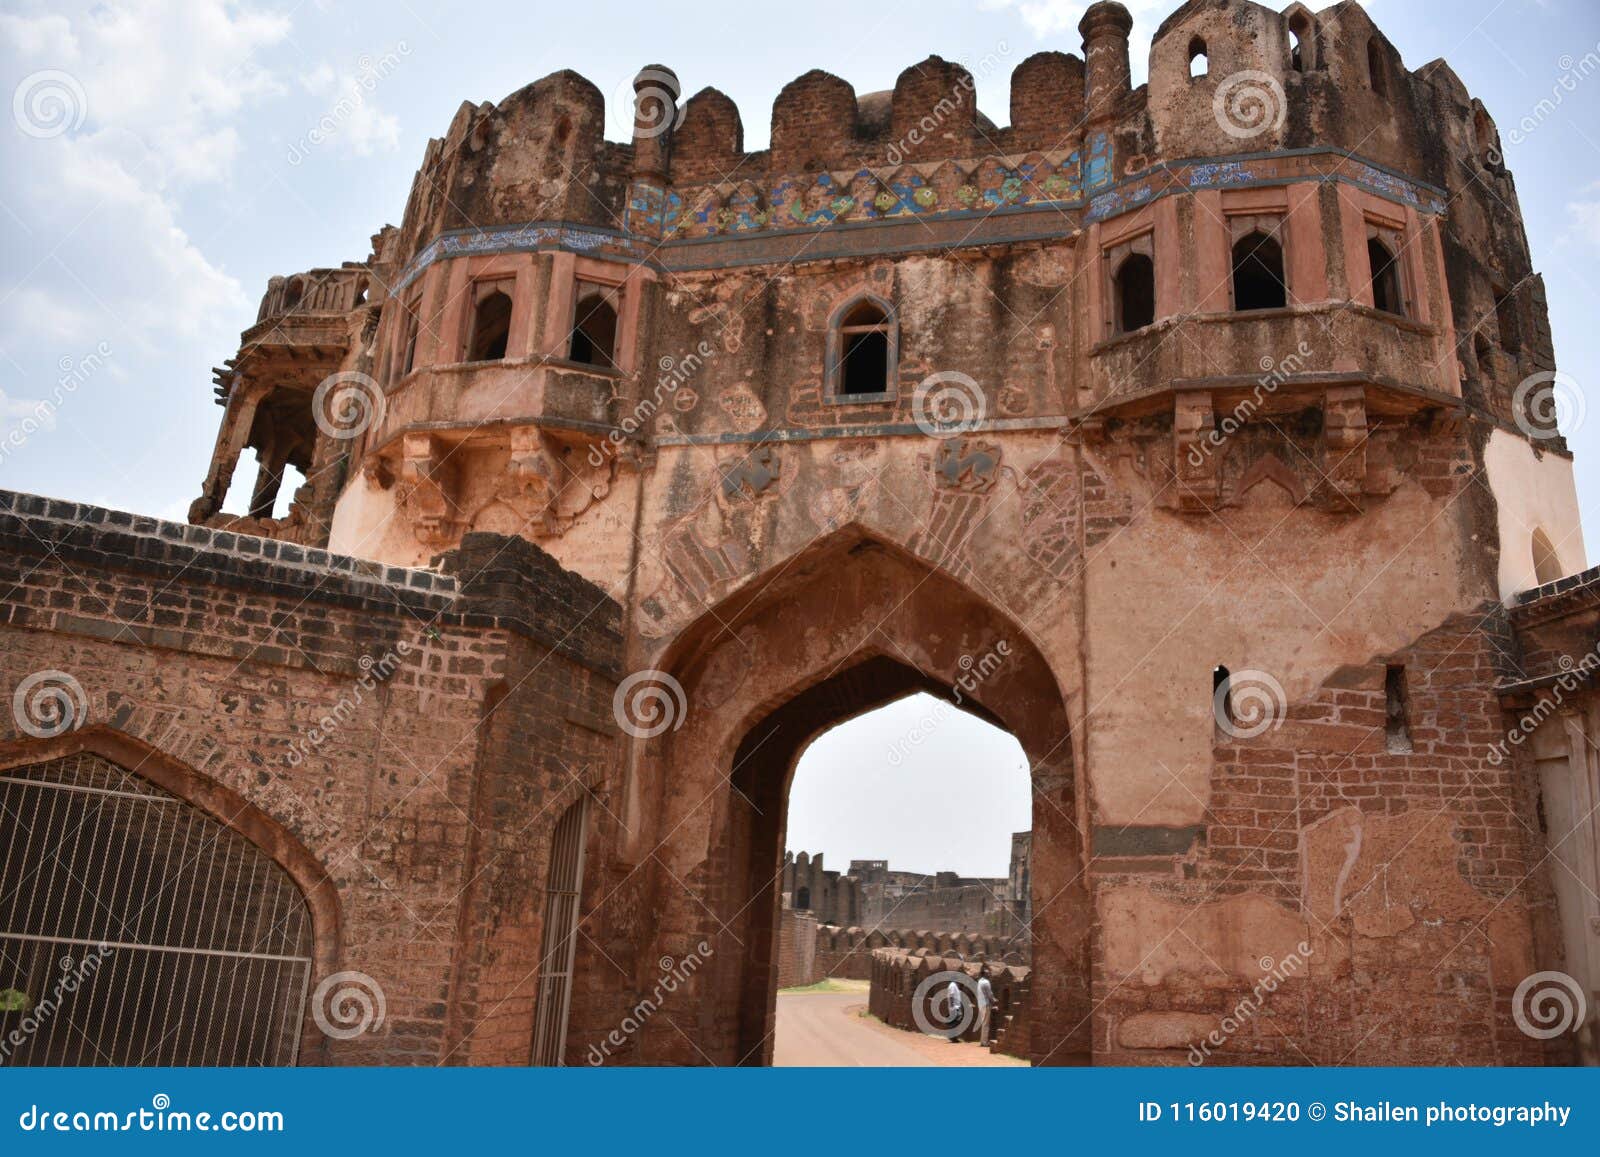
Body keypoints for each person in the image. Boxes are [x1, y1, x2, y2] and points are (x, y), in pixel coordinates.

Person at [976, 973, 994, 1047]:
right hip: (986, 1004)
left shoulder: (979, 982)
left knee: (983, 1023)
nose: (990, 975)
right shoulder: (986, 982)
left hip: (980, 1004)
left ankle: (982, 1041)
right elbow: (989, 994)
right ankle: (984, 1042)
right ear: (986, 975)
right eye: (989, 974)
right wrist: (993, 1001)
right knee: (986, 1024)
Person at [945, 977, 964, 1043]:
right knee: (956, 1021)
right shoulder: (953, 985)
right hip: (955, 1007)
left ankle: (953, 1037)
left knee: (955, 1021)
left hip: (955, 1006)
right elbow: (951, 996)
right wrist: (953, 1006)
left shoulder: (953, 985)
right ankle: (952, 1036)